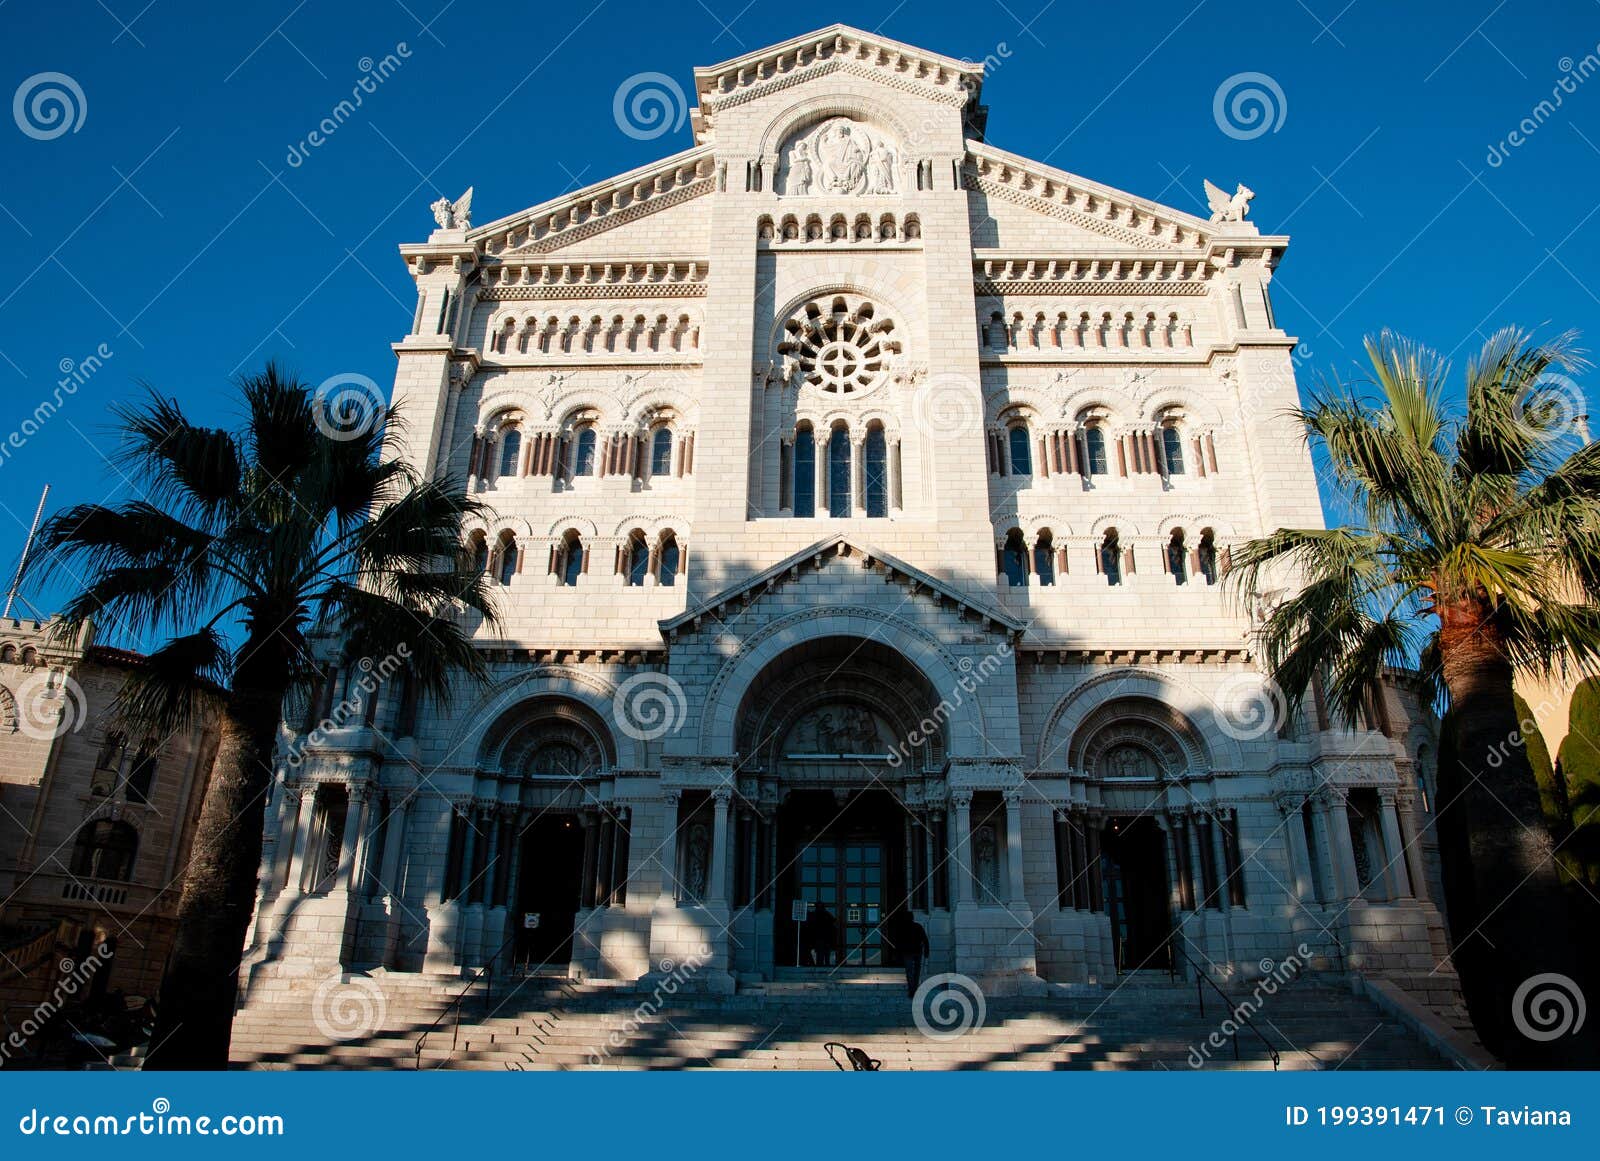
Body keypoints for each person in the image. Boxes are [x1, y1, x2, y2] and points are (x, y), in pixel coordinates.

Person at [886, 910, 930, 996]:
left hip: (907, 952)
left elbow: (897, 942)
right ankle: (915, 988)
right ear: (912, 917)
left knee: (909, 971)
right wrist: (926, 952)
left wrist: (897, 954)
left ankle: (912, 990)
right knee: (917, 971)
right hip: (917, 951)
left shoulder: (901, 928)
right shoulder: (918, 926)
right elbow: (925, 940)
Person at [803, 903, 836, 967]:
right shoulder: (827, 914)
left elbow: (810, 926)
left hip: (819, 937)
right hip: (826, 937)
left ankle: (820, 966)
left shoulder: (815, 915)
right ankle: (826, 965)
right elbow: (833, 924)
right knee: (826, 954)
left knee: (820, 954)